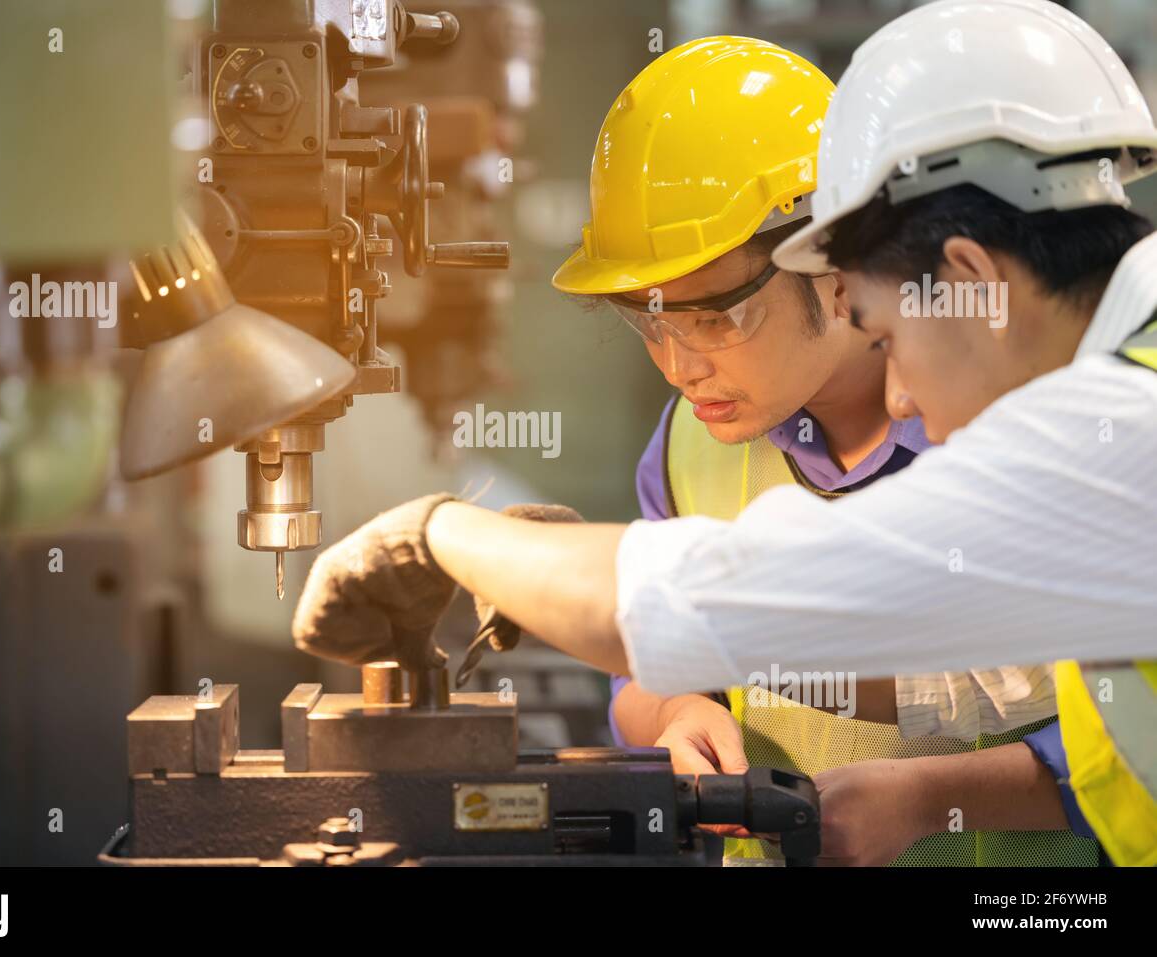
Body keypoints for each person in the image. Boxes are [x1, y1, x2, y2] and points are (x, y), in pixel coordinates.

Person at [293, 0, 1157, 866]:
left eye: (888, 331)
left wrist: (447, 534)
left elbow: (738, 604)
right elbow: (968, 680)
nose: (899, 397)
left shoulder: (1118, 438)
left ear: (968, 279)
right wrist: (664, 686)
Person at [551, 35, 1088, 866]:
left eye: (717, 317)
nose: (678, 364)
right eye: (647, 320)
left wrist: (928, 798)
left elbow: (1126, 735)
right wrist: (676, 711)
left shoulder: (1015, 426)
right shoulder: (691, 439)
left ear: (835, 268)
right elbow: (643, 667)